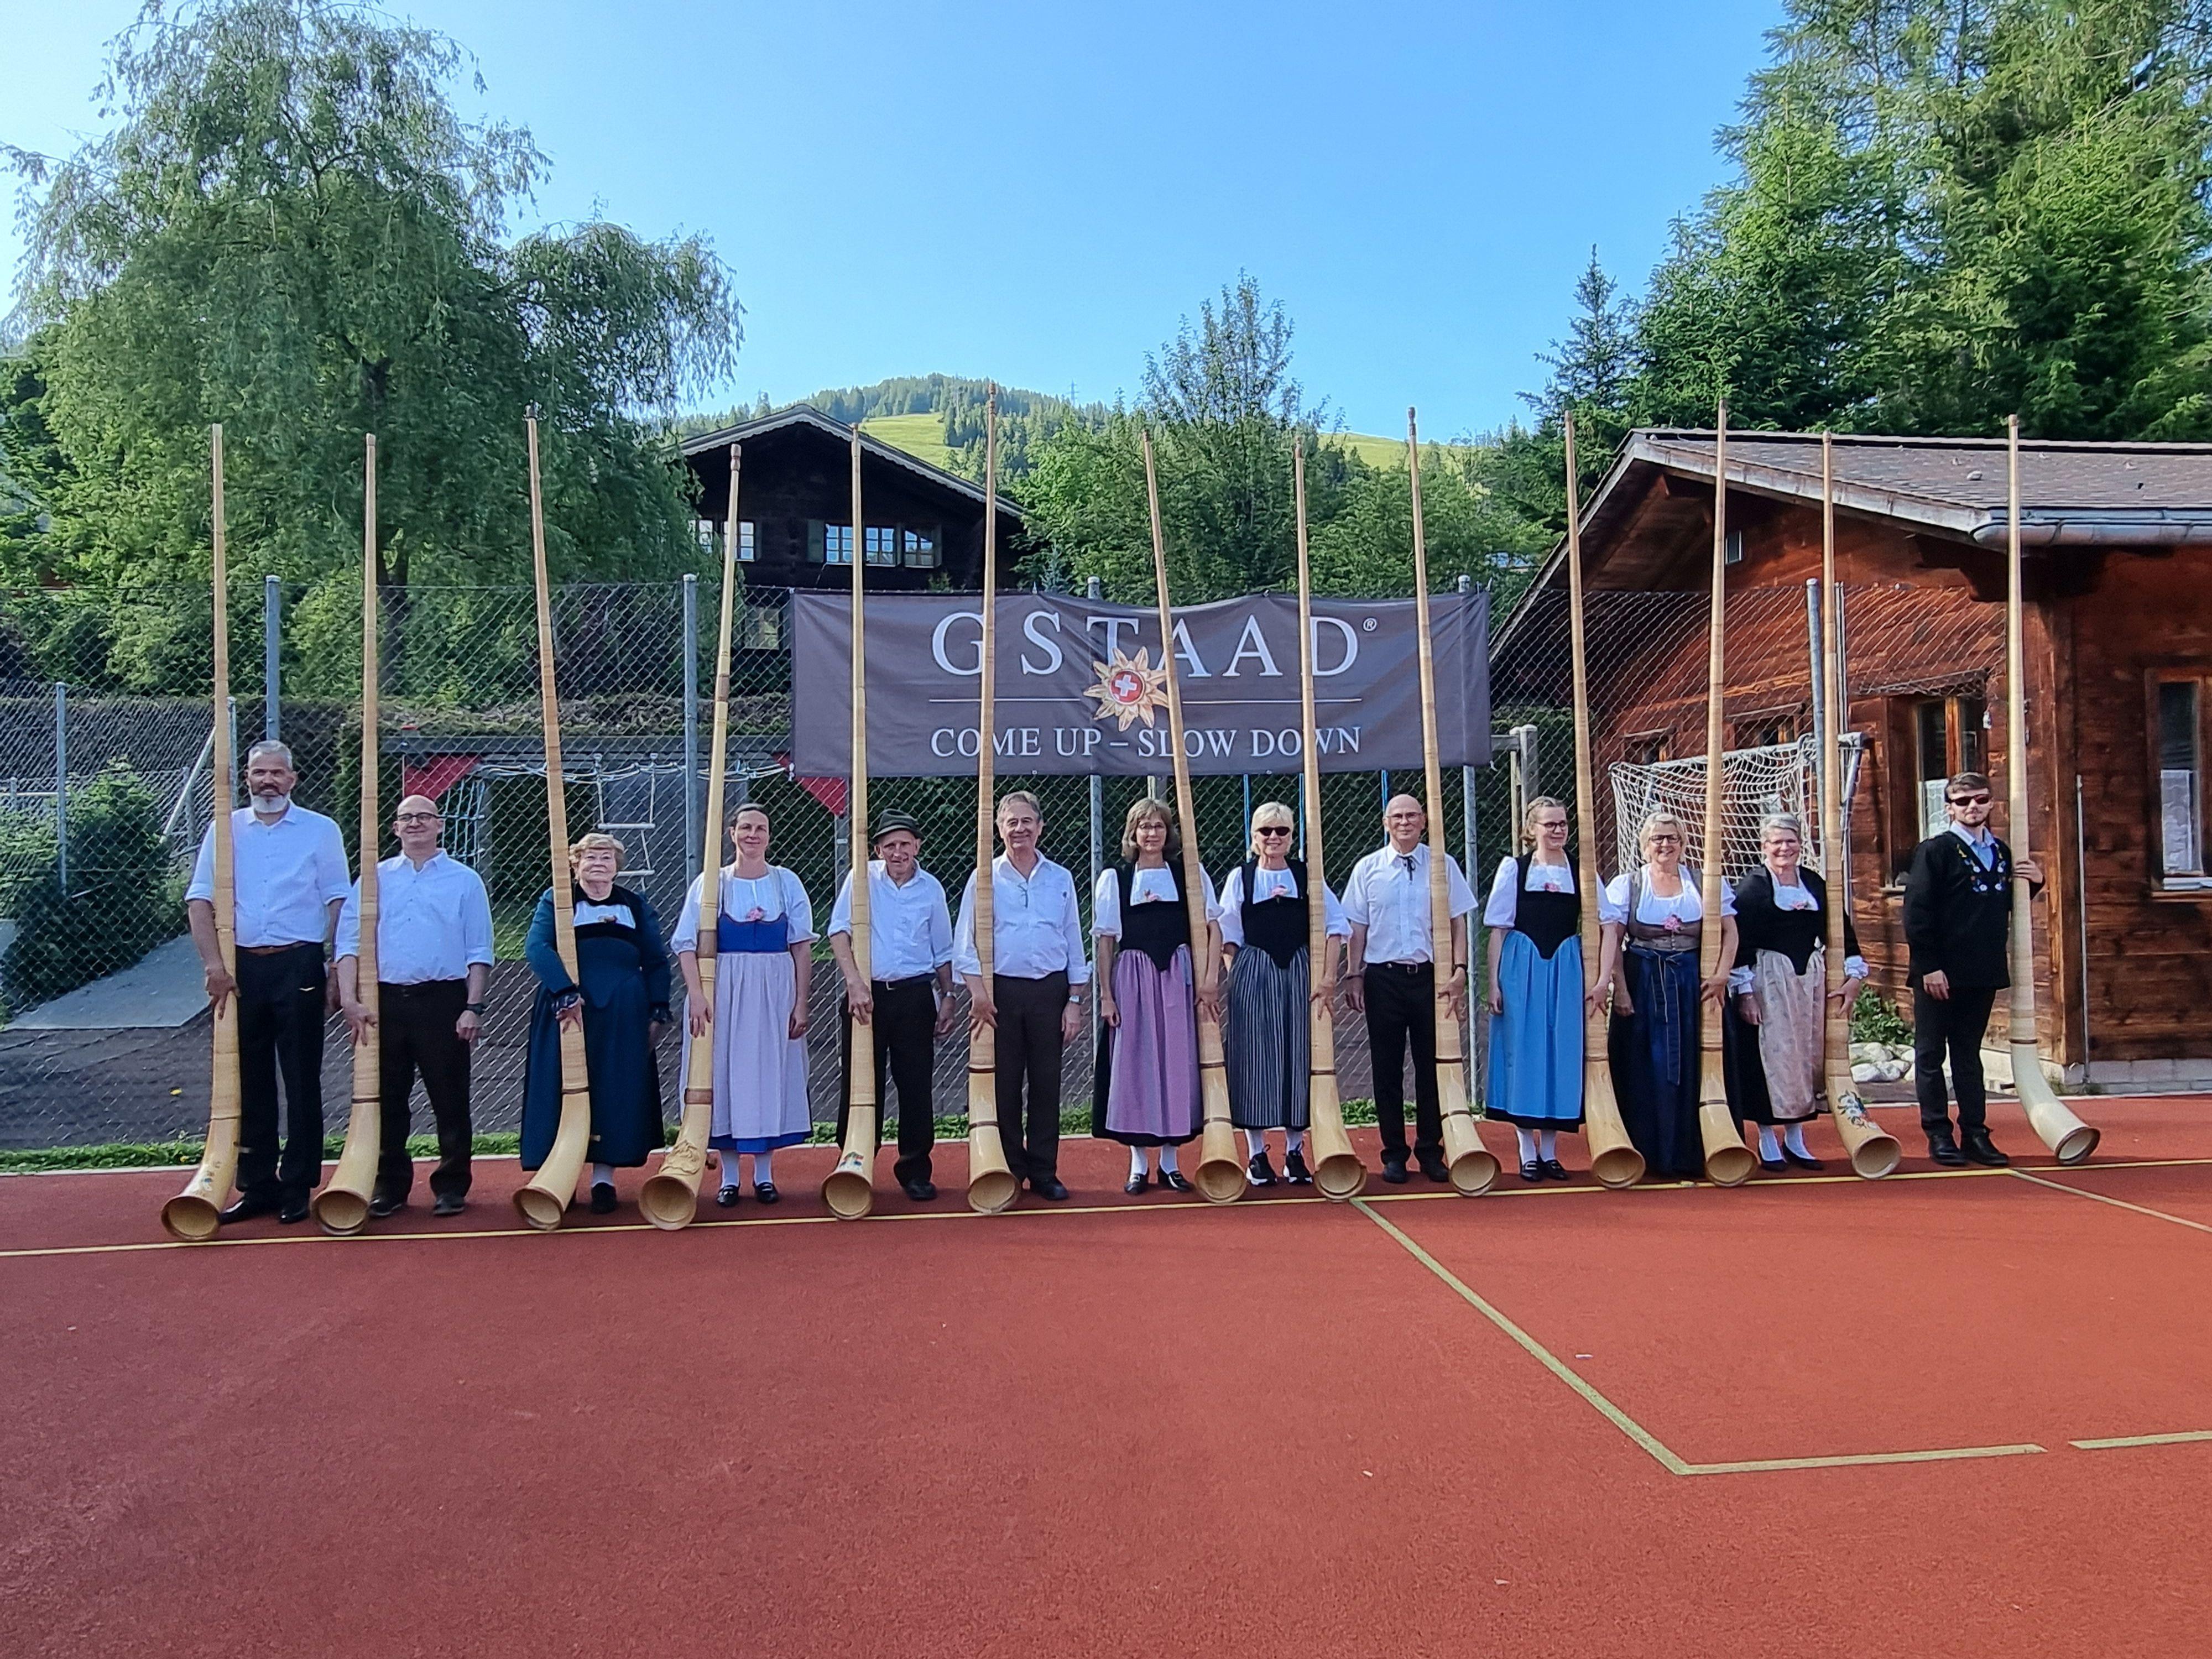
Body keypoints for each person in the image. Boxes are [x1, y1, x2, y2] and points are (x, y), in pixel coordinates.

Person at [185, 740, 352, 1225]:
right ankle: (258, 1184)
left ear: (293, 780)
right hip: (241, 971)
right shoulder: (225, 829)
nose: (269, 782)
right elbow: (199, 901)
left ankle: (298, 1184)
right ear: (247, 778)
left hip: (299, 964)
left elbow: (339, 901)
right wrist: (214, 966)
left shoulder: (321, 831)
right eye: (260, 773)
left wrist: (333, 971)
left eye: (278, 773)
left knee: (301, 1078)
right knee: (249, 1079)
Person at [333, 794, 494, 1217]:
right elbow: (348, 944)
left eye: (425, 817)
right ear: (395, 828)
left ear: (440, 825)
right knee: (387, 1098)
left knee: (450, 1097)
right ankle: (390, 1187)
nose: (416, 824)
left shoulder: (464, 881)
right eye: (407, 817)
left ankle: (451, 1186)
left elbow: (479, 950)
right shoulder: (373, 879)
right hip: (384, 1002)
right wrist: (349, 1000)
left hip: (444, 1000)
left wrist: (472, 1007)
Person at [520, 833, 672, 1214]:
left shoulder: (635, 906)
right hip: (569, 1010)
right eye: (590, 857)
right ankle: (561, 1173)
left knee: (614, 1090)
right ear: (576, 864)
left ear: (617, 866)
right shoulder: (557, 900)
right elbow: (537, 946)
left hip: (623, 1012)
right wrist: (565, 992)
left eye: (607, 857)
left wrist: (658, 1008)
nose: (599, 863)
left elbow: (655, 959)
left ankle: (603, 1179)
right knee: (561, 1087)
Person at [673, 804, 815, 1206]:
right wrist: (698, 995)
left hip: (774, 991)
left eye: (761, 829)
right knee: (724, 1075)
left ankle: (765, 1175)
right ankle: (729, 1178)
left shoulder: (787, 883)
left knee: (769, 1074)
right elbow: (685, 944)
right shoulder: (711, 882)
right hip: (724, 993)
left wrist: (800, 1003)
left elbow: (801, 947)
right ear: (732, 833)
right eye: (746, 827)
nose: (754, 835)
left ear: (769, 836)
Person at [1902, 771, 2043, 1168]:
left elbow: (2000, 905)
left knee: (1968, 1055)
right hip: (1939, 973)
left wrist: (2034, 883)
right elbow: (1917, 912)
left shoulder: (2000, 851)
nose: (1972, 807)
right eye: (1962, 801)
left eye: (1979, 799)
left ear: (1991, 803)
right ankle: (1938, 1133)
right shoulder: (1935, 850)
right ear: (1948, 807)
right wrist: (1929, 966)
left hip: (1980, 970)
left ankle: (1976, 1133)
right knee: (1931, 1054)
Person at [955, 790, 1089, 1202]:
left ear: (1040, 827)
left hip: (1050, 991)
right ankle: (1010, 1169)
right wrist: (979, 995)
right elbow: (966, 944)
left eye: (1027, 821)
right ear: (998, 829)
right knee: (1006, 1086)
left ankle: (1045, 1172)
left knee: (1047, 1085)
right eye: (1011, 822)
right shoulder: (983, 878)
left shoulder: (1060, 878)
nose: (1020, 830)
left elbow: (1072, 938)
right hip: (1000, 994)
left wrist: (1074, 1000)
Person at [1342, 794, 1477, 1185]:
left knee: (1430, 1067)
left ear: (1424, 822)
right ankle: (1394, 1154)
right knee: (1386, 1069)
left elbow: (1458, 922)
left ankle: (1431, 1151)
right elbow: (1358, 927)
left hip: (1431, 978)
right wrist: (1354, 974)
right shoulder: (1368, 869)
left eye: (1412, 816)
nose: (1404, 822)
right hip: (1383, 978)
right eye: (1397, 816)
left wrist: (1460, 969)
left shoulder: (1443, 866)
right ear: (1386, 823)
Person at [1598, 811, 1738, 1181]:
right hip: (1644, 981)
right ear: (1644, 845)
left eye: (1672, 838)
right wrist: (1621, 989)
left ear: (1683, 843)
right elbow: (1612, 940)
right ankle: (1650, 1151)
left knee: (1696, 1063)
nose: (1665, 844)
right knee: (1648, 1066)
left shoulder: (1703, 882)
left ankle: (1697, 1149)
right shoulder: (1628, 885)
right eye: (1658, 838)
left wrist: (1722, 975)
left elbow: (1730, 932)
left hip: (1694, 985)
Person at [1723, 813, 1867, 1172]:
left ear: (1800, 845)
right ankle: (1768, 1137)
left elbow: (1841, 932)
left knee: (1804, 1055)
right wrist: (1745, 993)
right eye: (1777, 842)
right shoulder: (1752, 889)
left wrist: (1854, 976)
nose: (1785, 848)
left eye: (1791, 841)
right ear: (1764, 847)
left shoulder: (1815, 884)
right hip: (1768, 980)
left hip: (1808, 982)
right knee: (1772, 1056)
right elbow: (1738, 943)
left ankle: (1796, 1136)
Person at [827, 811, 958, 1202]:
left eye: (905, 844)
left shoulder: (931, 888)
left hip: (916, 997)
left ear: (918, 846)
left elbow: (942, 950)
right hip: (866, 997)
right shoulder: (862, 879)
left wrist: (948, 996)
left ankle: (915, 1169)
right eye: (890, 845)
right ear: (878, 849)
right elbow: (839, 932)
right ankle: (855, 1162)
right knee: (860, 1086)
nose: (898, 852)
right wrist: (854, 983)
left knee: (916, 1086)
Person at [1218, 800, 1348, 1187]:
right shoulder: (1239, 878)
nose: (1273, 838)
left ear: (1292, 838)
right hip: (1255, 973)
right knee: (1254, 1061)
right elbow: (1226, 937)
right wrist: (1240, 977)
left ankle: (1295, 1151)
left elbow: (1336, 928)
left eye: (1282, 831)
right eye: (1266, 832)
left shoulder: (1309, 877)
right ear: (1254, 837)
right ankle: (1257, 1154)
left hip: (1300, 974)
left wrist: (1326, 979)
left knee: (1299, 1055)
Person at [1092, 799, 1219, 1195]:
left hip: (1177, 978)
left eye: (1159, 826)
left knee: (1175, 1065)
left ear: (1168, 833)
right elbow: (1105, 941)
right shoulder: (1116, 878)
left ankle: (1170, 1163)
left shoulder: (1190, 875)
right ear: (1133, 833)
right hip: (1133, 978)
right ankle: (1137, 1164)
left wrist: (1209, 980)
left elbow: (1213, 929)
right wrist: (1107, 996)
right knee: (1136, 1064)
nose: (1152, 833)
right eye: (1144, 827)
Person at [1482, 796, 1591, 1182]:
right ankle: (1526, 1149)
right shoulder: (1515, 868)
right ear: (1532, 830)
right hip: (1522, 964)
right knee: (1524, 1051)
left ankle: (1551, 1151)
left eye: (1562, 824)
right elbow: (1498, 928)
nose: (1558, 830)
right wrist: (1493, 982)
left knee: (1560, 1052)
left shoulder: (1580, 870)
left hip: (1564, 965)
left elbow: (1604, 920)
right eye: (1549, 824)